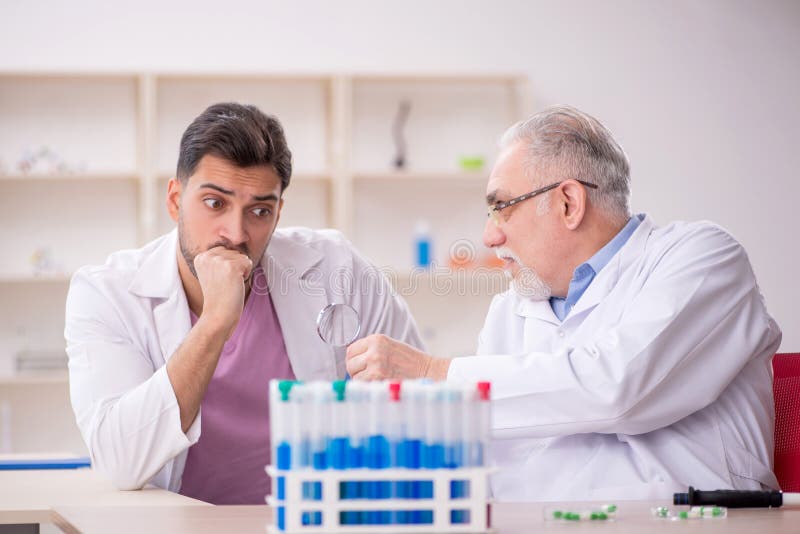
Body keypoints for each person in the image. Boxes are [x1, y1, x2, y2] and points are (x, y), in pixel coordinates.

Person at [345, 105, 782, 501]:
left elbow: (617, 389)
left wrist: (430, 372)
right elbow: (480, 452)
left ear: (569, 203)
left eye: (502, 207)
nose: (489, 236)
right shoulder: (511, 309)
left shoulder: (701, 257)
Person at [65, 102, 423, 504]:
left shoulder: (337, 267)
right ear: (175, 200)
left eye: (259, 211)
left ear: (277, 213)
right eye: (215, 203)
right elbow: (121, 461)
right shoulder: (106, 293)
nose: (235, 233)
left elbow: (422, 402)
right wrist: (216, 321)